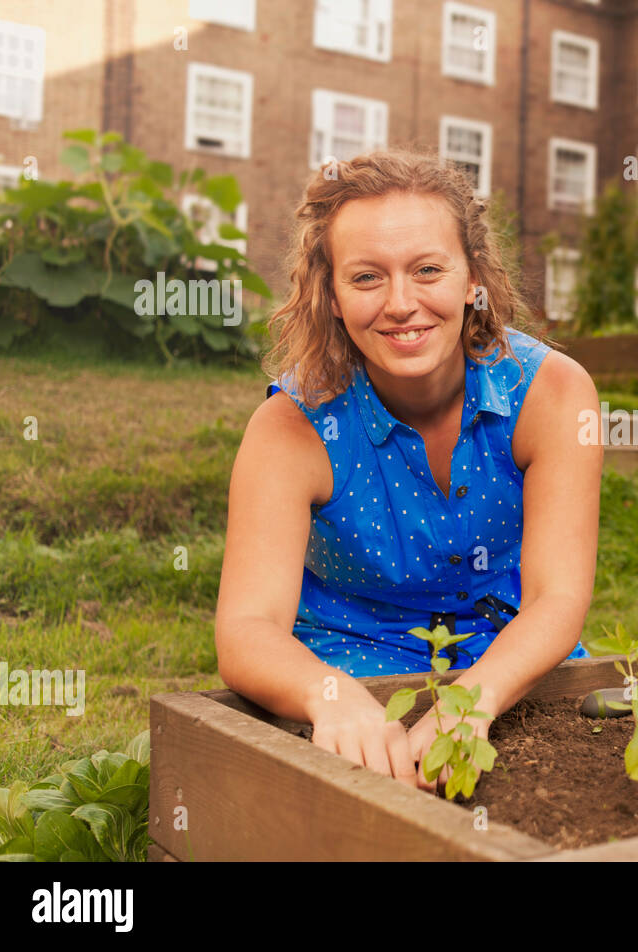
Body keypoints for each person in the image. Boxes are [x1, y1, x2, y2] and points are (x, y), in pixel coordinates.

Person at [214, 148, 601, 794]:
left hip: (508, 654)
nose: (401, 303)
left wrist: (472, 702)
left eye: (427, 270)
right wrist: (329, 696)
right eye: (366, 278)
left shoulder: (553, 395)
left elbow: (556, 599)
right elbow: (247, 628)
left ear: (472, 277)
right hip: (348, 660)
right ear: (331, 294)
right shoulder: (290, 428)